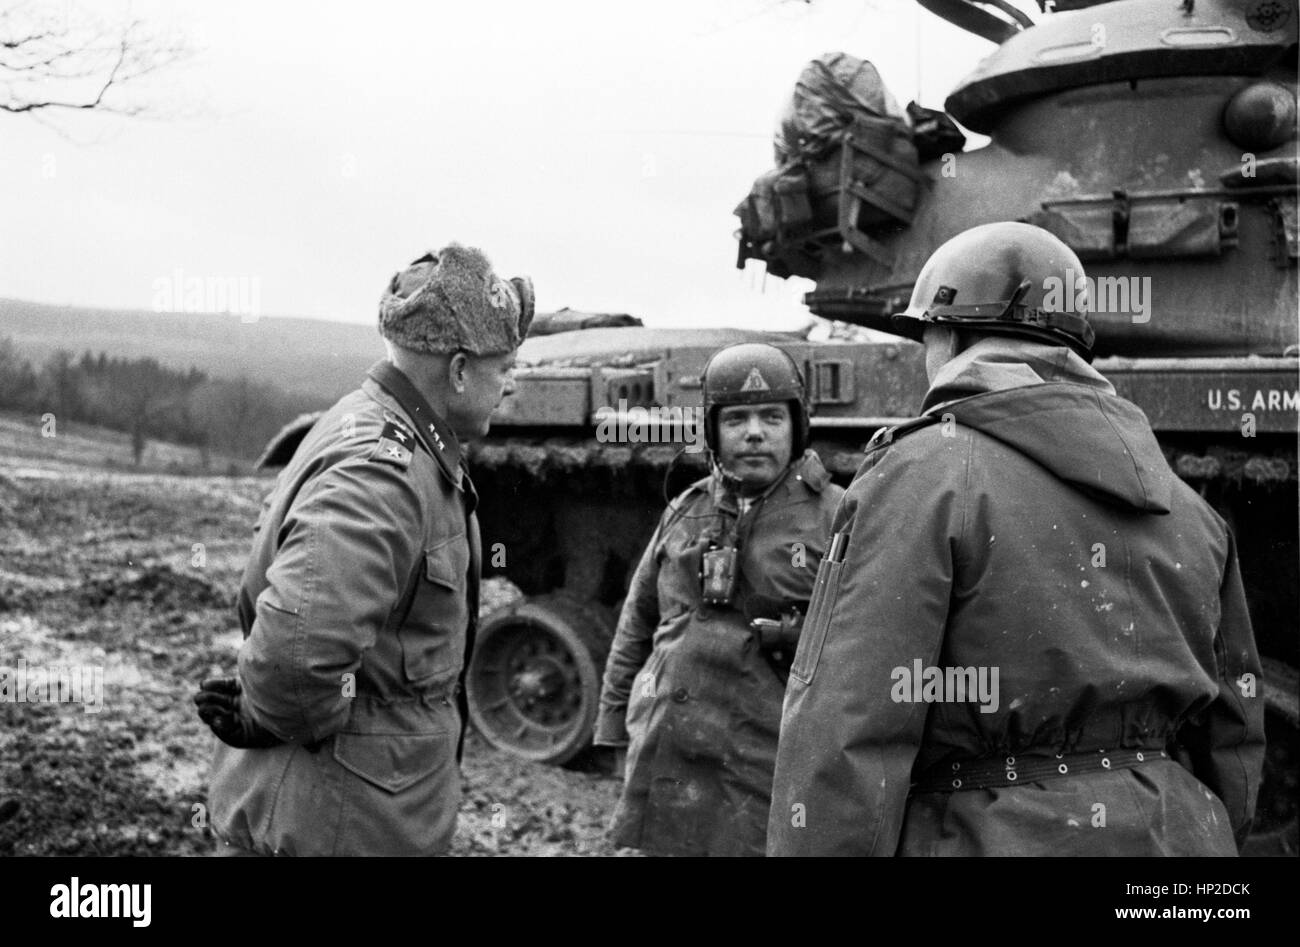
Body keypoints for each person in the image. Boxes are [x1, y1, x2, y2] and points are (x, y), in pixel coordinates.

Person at [768, 221, 1265, 857]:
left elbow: (848, 719)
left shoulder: (922, 475)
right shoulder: (1192, 511)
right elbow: (1236, 734)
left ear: (949, 337)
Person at [194, 243, 531, 856]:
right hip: (337, 823)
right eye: (503, 367)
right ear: (458, 370)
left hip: (350, 811)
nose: (510, 385)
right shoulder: (382, 474)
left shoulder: (371, 425)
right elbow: (298, 658)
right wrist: (271, 715)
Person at [594, 342, 845, 856]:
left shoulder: (837, 517)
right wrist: (615, 724)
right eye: (736, 419)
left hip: (759, 765)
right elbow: (638, 621)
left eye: (772, 417)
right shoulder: (687, 508)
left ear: (797, 427)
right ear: (713, 430)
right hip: (667, 751)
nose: (754, 432)